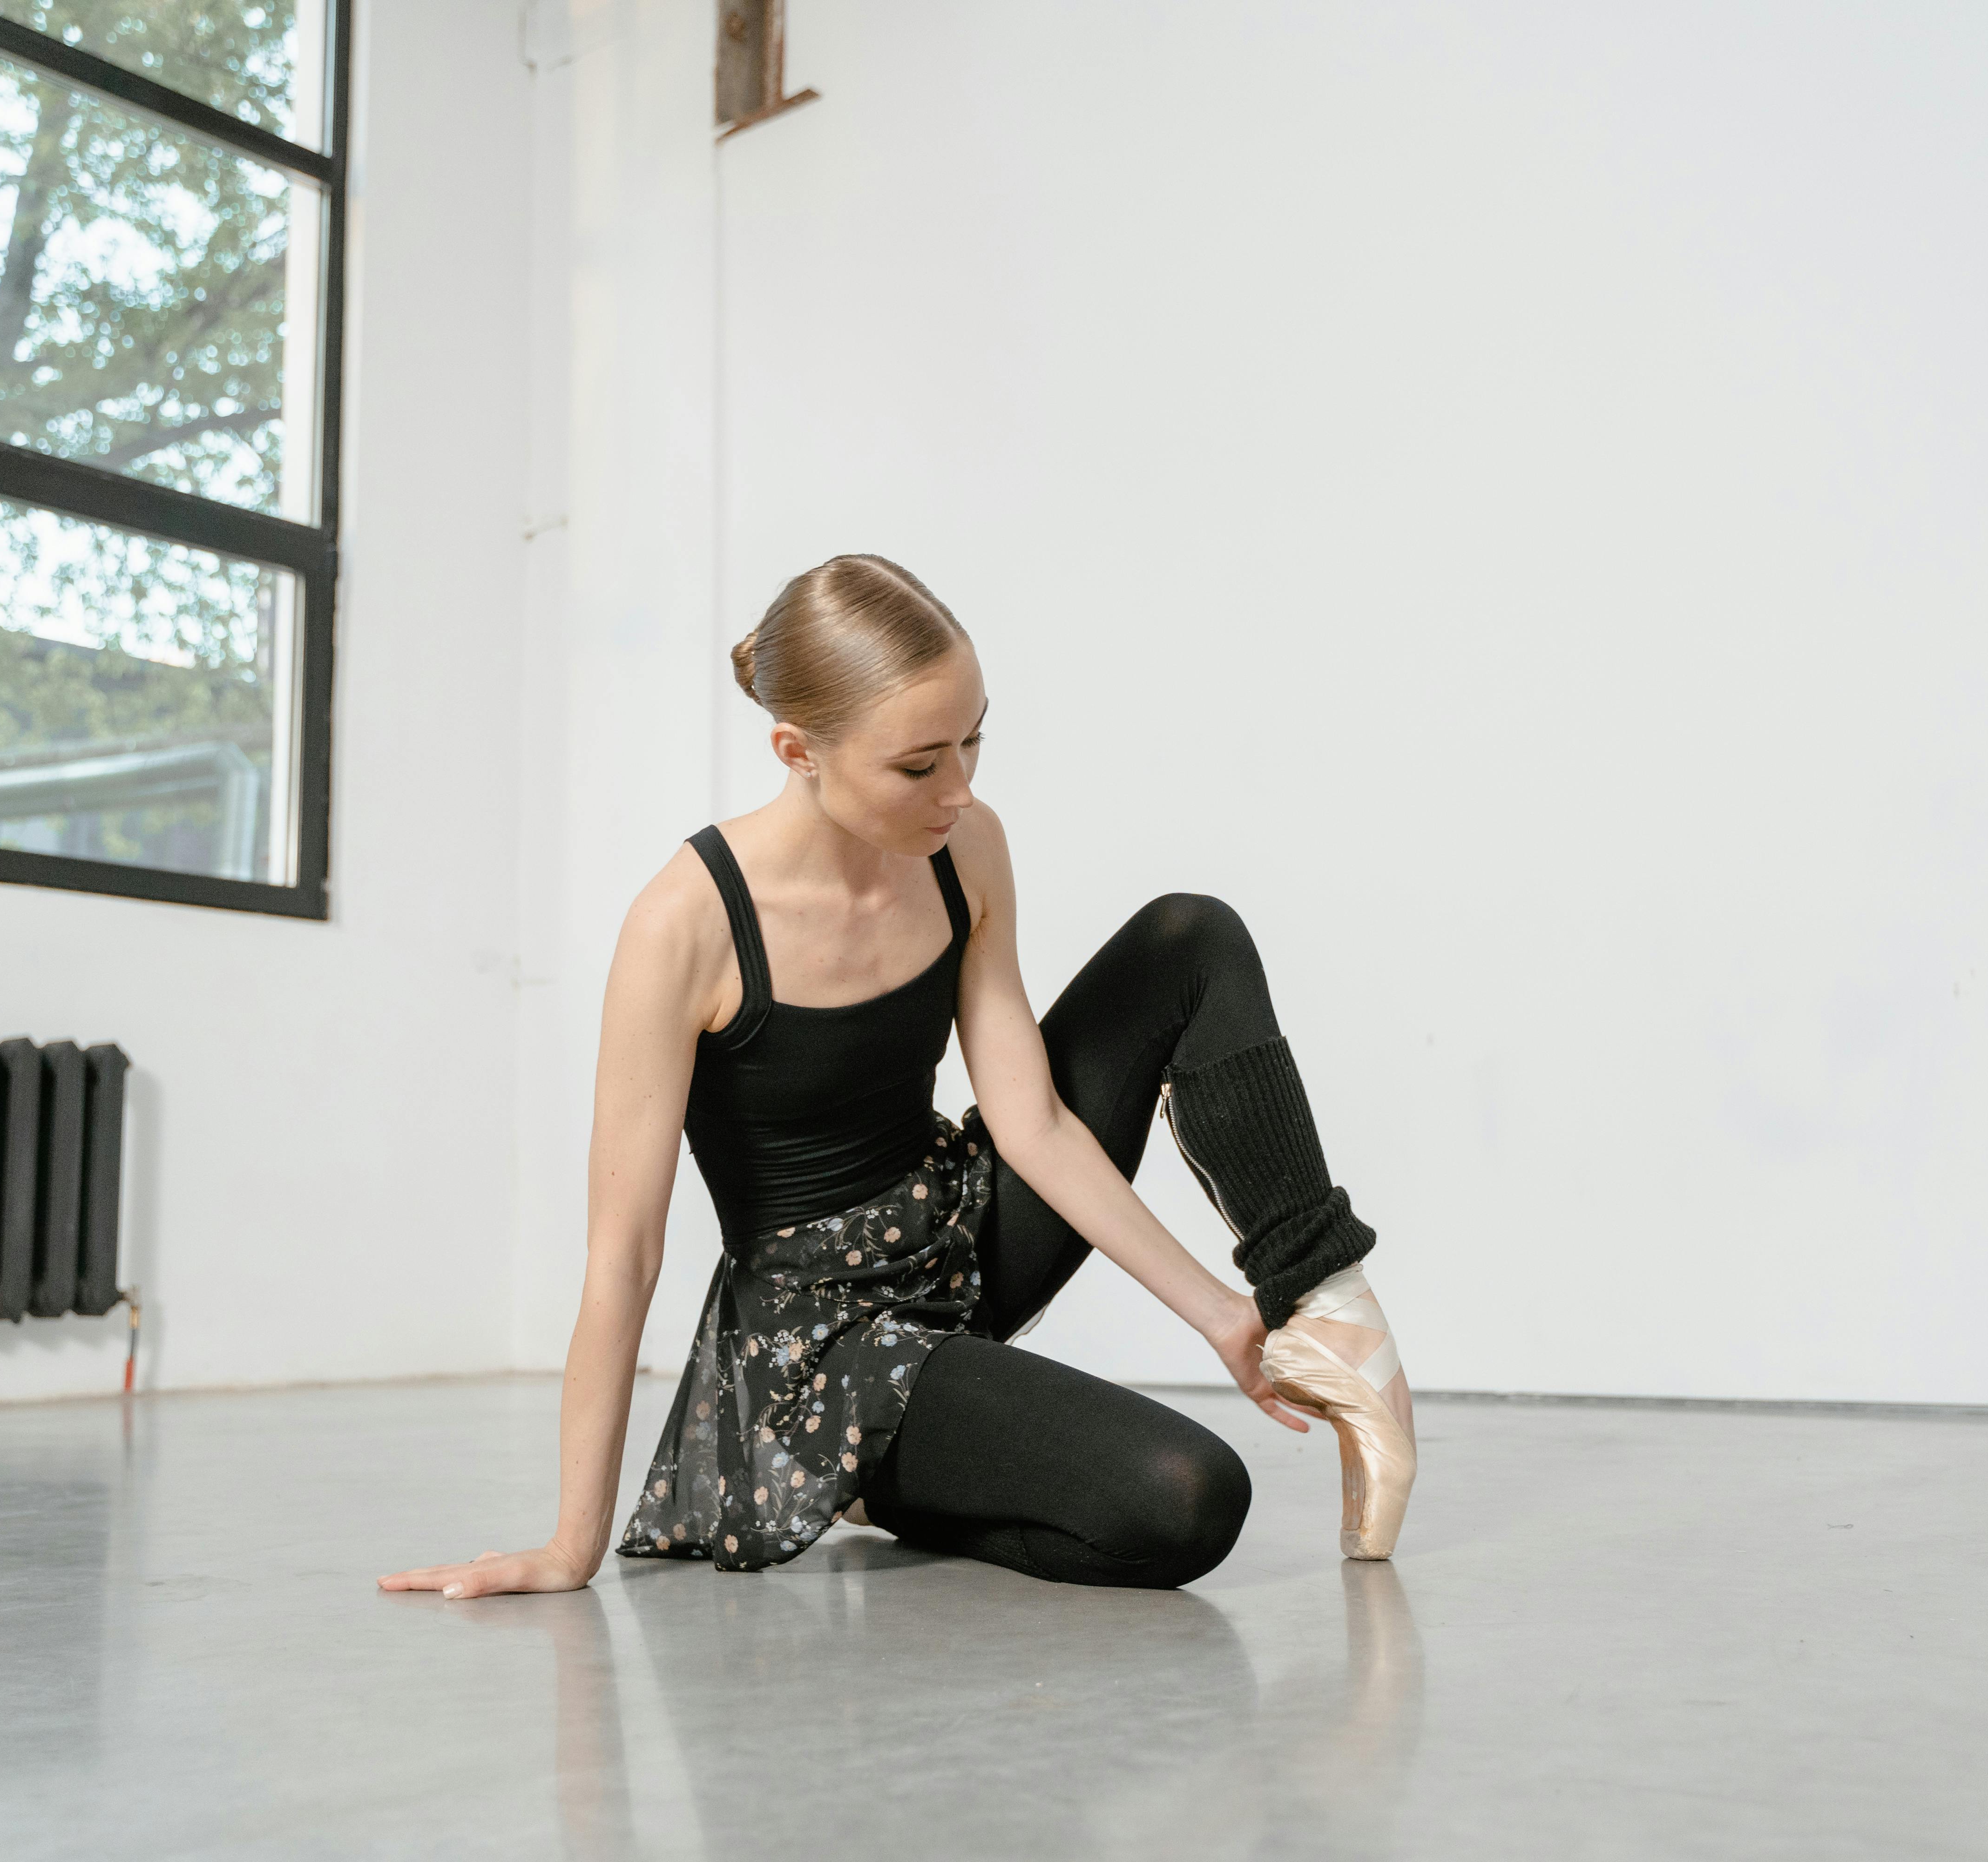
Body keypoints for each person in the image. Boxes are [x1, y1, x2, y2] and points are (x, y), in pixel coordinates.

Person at [380, 556, 1412, 1596]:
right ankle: (872, 1474)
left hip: (952, 1230)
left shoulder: (966, 848)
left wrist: (1225, 1314)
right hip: (826, 1348)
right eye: (921, 765)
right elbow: (624, 1257)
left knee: (1189, 938)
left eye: (974, 741)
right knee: (1190, 1497)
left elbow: (1035, 1124)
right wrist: (570, 1544)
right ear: (800, 751)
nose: (960, 790)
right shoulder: (684, 926)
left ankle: (1331, 1312)